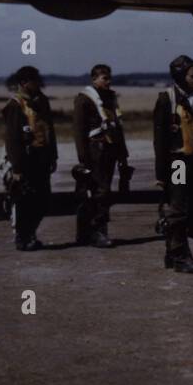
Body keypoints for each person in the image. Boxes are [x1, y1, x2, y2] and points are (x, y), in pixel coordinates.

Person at [153, 55, 193, 274]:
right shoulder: (166, 99)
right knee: (178, 207)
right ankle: (180, 255)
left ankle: (171, 252)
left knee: (192, 203)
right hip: (177, 163)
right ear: (181, 76)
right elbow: (159, 140)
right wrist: (161, 174)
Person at [73, 63, 130, 247]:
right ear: (94, 79)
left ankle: (86, 233)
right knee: (100, 193)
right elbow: (79, 131)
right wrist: (83, 159)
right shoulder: (84, 99)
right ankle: (97, 232)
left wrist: (123, 156)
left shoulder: (110, 98)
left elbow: (117, 128)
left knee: (102, 192)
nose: (108, 81)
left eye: (109, 77)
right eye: (104, 78)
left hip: (109, 151)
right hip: (94, 152)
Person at [2, 65, 57, 251]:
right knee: (25, 201)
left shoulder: (42, 101)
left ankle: (30, 233)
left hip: (42, 157)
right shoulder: (15, 105)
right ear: (24, 83)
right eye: (34, 81)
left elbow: (50, 130)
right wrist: (16, 167)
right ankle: (22, 237)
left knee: (44, 200)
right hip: (26, 160)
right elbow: (12, 139)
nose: (38, 84)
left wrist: (53, 156)